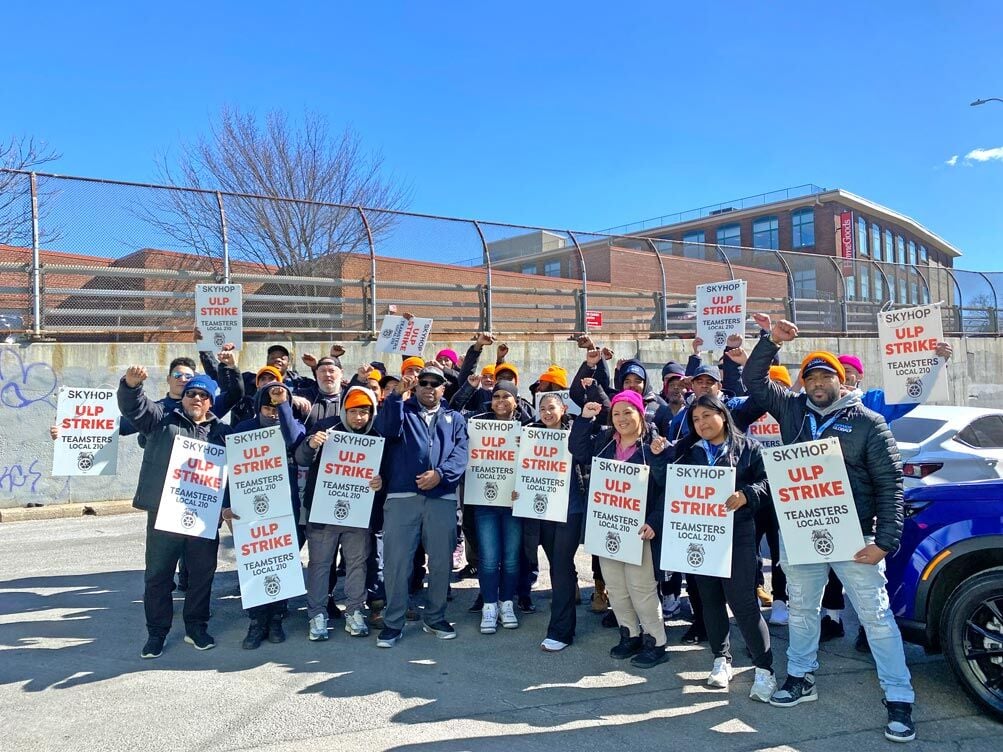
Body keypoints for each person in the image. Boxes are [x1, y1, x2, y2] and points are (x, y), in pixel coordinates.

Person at [745, 314, 916, 743]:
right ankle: (801, 678)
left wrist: (885, 541)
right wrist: (771, 342)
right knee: (802, 609)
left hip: (855, 536)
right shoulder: (791, 409)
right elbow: (753, 379)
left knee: (876, 618)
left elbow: (890, 483)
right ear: (802, 383)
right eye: (811, 377)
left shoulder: (868, 422)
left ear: (841, 381)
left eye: (826, 376)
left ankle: (899, 696)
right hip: (801, 530)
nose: (818, 383)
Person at [117, 366, 242, 659]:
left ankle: (196, 627)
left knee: (201, 575)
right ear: (183, 399)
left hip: (205, 516)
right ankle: (156, 633)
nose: (196, 398)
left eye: (202, 395)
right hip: (165, 514)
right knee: (158, 576)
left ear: (211, 402)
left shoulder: (223, 434)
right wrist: (131, 385)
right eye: (191, 394)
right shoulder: (161, 420)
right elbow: (133, 408)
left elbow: (231, 475)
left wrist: (226, 504)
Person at [673, 394, 777, 702]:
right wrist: (658, 455)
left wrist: (747, 494)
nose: (702, 423)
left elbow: (769, 483)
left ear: (722, 414)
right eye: (695, 419)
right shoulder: (688, 451)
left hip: (738, 534)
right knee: (710, 600)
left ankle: (764, 670)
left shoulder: (749, 448)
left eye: (707, 416)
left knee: (743, 602)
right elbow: (668, 480)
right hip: (700, 535)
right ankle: (721, 659)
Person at [570, 390, 671, 669]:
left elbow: (667, 489)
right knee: (615, 586)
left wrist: (654, 520)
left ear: (641, 414)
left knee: (642, 587)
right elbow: (577, 450)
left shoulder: (654, 447)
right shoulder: (604, 441)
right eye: (616, 413)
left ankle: (656, 640)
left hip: (640, 530)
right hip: (608, 526)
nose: (622, 418)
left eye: (628, 412)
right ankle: (629, 633)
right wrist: (584, 419)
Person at [374, 364, 469, 647]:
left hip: (441, 498)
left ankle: (436, 617)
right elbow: (385, 429)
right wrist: (395, 397)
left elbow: (461, 454)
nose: (429, 387)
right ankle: (393, 622)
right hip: (402, 498)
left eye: (435, 383)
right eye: (424, 382)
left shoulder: (455, 419)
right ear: (416, 386)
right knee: (397, 563)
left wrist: (440, 475)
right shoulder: (401, 411)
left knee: (441, 562)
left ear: (444, 388)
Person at [296, 386, 384, 641]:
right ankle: (316, 614)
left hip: (358, 513)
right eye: (353, 411)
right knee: (320, 565)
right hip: (323, 513)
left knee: (357, 564)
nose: (358, 417)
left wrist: (381, 482)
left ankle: (355, 611)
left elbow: (386, 469)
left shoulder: (377, 436)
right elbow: (302, 459)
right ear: (345, 410)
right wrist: (311, 444)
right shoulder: (327, 428)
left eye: (364, 412)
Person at [231, 381, 306, 649]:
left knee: (282, 561)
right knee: (256, 561)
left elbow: (292, 438)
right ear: (257, 407)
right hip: (251, 511)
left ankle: (276, 617)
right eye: (267, 406)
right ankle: (257, 620)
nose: (272, 412)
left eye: (277, 408)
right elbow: (232, 471)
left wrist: (283, 403)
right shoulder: (243, 430)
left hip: (286, 508)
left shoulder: (294, 428)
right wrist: (229, 505)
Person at [470, 381, 533, 634]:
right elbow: (453, 405)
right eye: (496, 396)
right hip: (484, 501)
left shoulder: (528, 427)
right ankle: (488, 605)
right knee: (488, 559)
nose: (500, 400)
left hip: (513, 502)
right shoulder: (477, 422)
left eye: (506, 396)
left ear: (516, 401)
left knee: (510, 559)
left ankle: (507, 603)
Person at [532, 392, 587, 652]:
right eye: (542, 408)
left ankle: (561, 631)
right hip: (542, 510)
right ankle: (571, 587)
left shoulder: (575, 431)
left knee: (560, 567)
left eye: (551, 407)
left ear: (563, 408)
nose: (547, 413)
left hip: (570, 509)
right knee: (556, 562)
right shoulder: (531, 434)